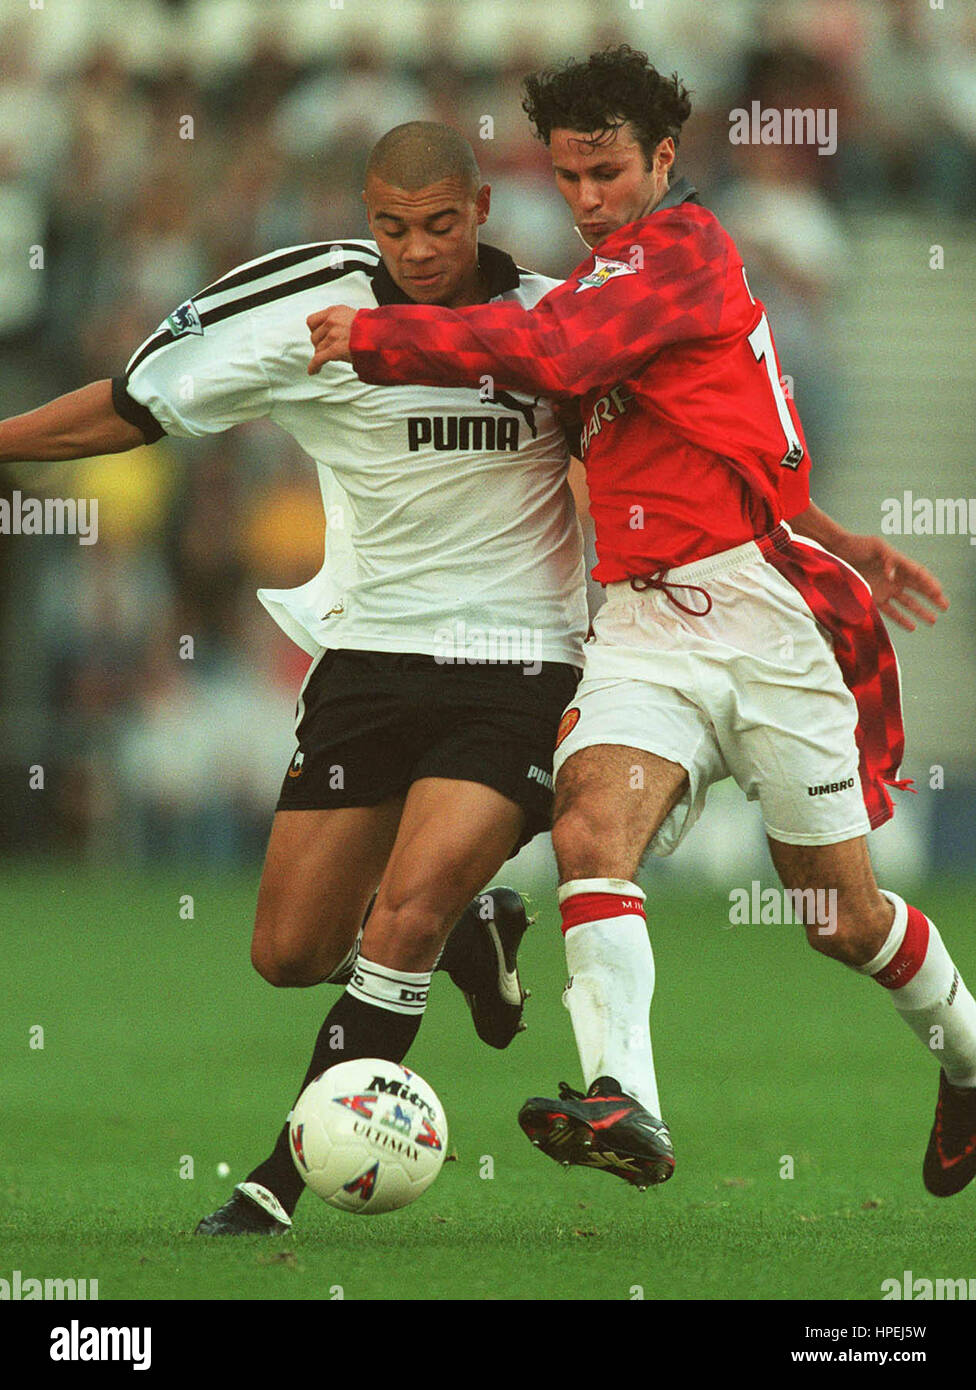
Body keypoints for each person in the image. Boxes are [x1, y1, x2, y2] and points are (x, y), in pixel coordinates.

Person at [304, 48, 976, 1199]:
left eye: (607, 171)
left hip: (764, 622)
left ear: (663, 159)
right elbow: (733, 427)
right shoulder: (606, 282)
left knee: (839, 916)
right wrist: (837, 525)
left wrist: (377, 335)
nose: (588, 198)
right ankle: (628, 1100)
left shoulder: (684, 254)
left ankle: (967, 1055)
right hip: (643, 621)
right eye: (567, 178)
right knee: (586, 831)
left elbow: (557, 352)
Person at [0, 122, 590, 1233]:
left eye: (440, 224)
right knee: (290, 952)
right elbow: (137, 405)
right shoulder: (304, 301)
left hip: (522, 659)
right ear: (366, 217)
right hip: (368, 658)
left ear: (482, 212)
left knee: (404, 915)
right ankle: (476, 934)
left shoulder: (556, 318)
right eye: (390, 226)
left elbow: (677, 439)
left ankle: (279, 1179)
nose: (415, 250)